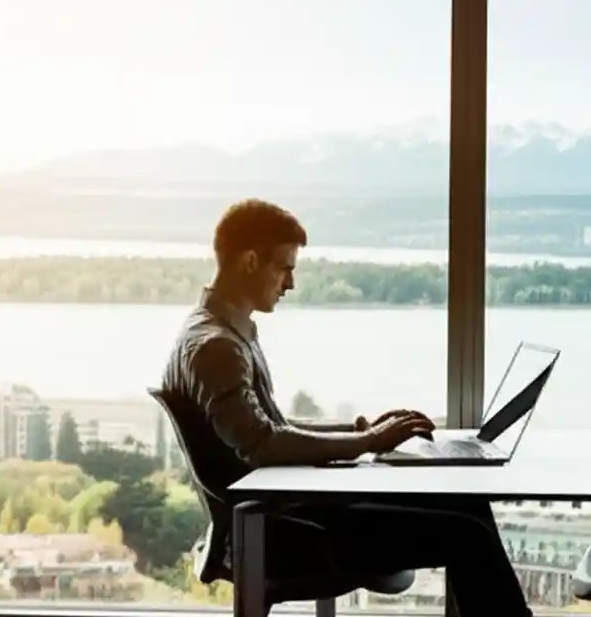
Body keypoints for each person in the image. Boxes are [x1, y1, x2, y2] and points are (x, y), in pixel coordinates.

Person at [161, 198, 532, 617]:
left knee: (468, 506)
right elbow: (262, 444)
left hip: (290, 512)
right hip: (291, 529)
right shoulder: (217, 347)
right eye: (285, 268)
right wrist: (366, 442)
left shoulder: (217, 332)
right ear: (250, 261)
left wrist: (360, 430)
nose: (290, 284)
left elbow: (268, 427)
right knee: (468, 535)